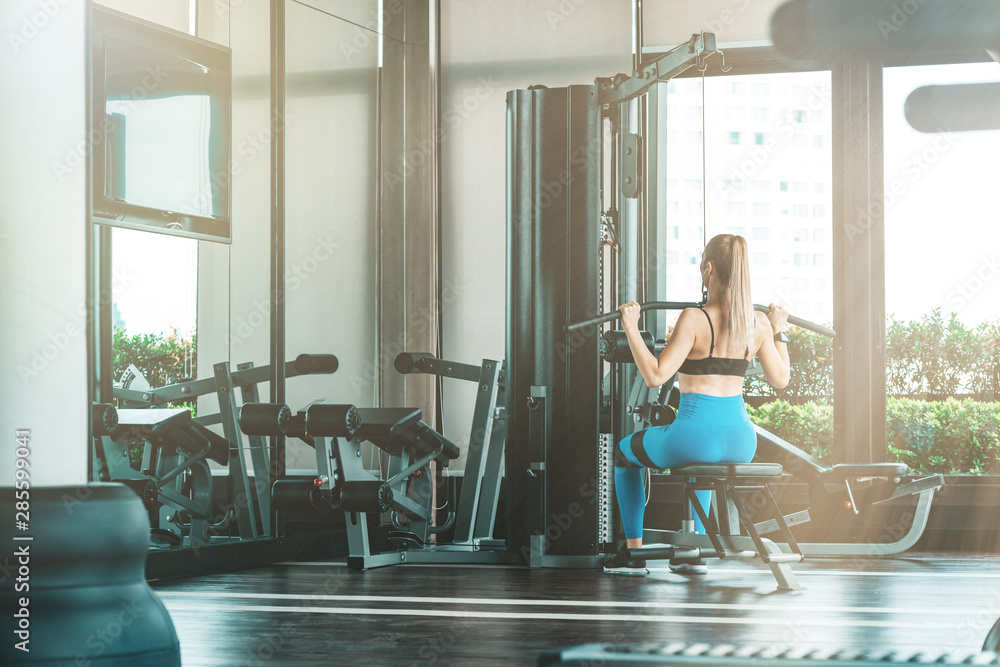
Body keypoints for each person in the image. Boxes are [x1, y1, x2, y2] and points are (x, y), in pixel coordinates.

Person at [603, 234, 791, 576]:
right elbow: (781, 379)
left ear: (708, 269)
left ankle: (634, 554)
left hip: (693, 436)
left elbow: (656, 376)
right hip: (741, 441)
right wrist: (780, 332)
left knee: (622, 454)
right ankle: (692, 550)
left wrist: (631, 327)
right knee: (704, 467)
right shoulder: (759, 324)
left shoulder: (693, 319)